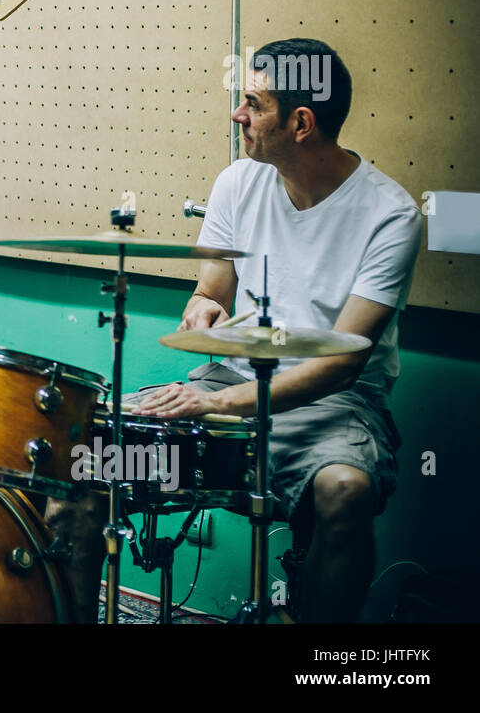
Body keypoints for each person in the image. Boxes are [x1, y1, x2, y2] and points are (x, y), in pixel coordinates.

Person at [47, 38, 422, 624]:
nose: (237, 114)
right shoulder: (237, 183)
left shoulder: (391, 215)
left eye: (252, 102)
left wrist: (217, 402)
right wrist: (202, 311)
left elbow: (343, 362)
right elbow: (212, 291)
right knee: (90, 463)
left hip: (336, 404)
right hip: (232, 378)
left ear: (301, 122)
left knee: (344, 491)